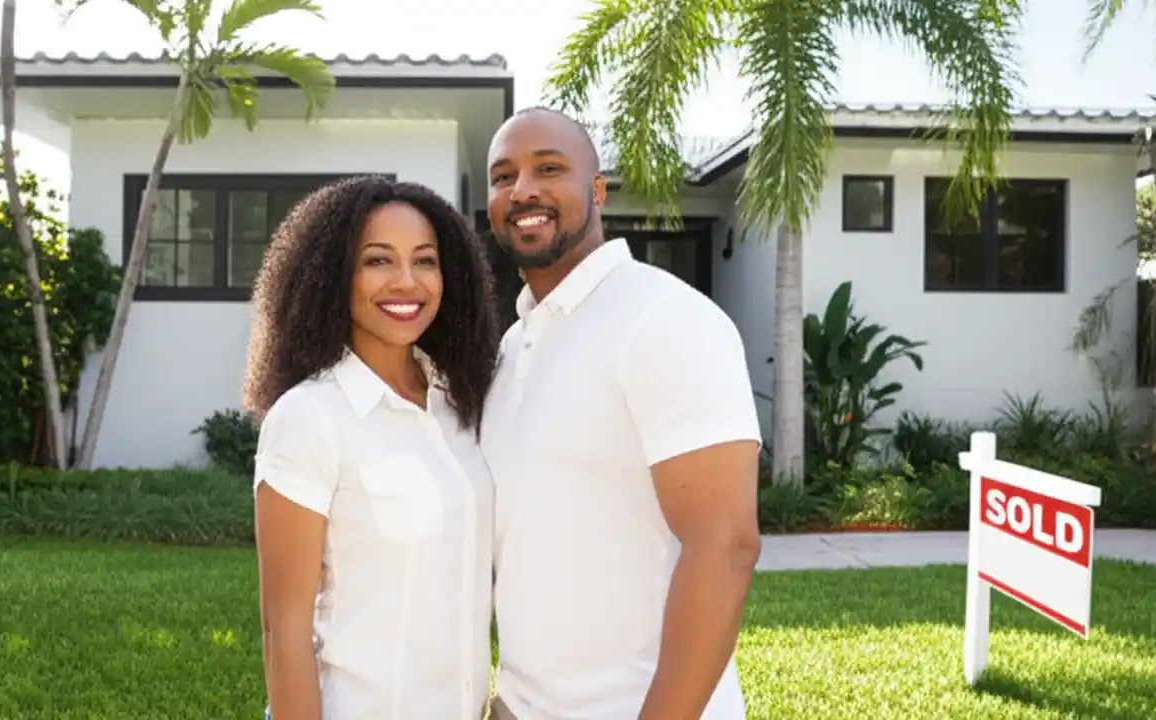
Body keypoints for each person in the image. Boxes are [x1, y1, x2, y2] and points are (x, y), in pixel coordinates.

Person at [480, 107, 764, 720]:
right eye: (503, 177)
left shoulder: (664, 319)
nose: (523, 189)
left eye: (548, 168)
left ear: (598, 190)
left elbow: (726, 544)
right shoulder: (514, 345)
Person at [242, 175, 500, 720]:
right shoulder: (309, 417)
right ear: (335, 277)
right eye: (378, 261)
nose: (406, 282)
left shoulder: (461, 407)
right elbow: (282, 627)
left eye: (425, 261)